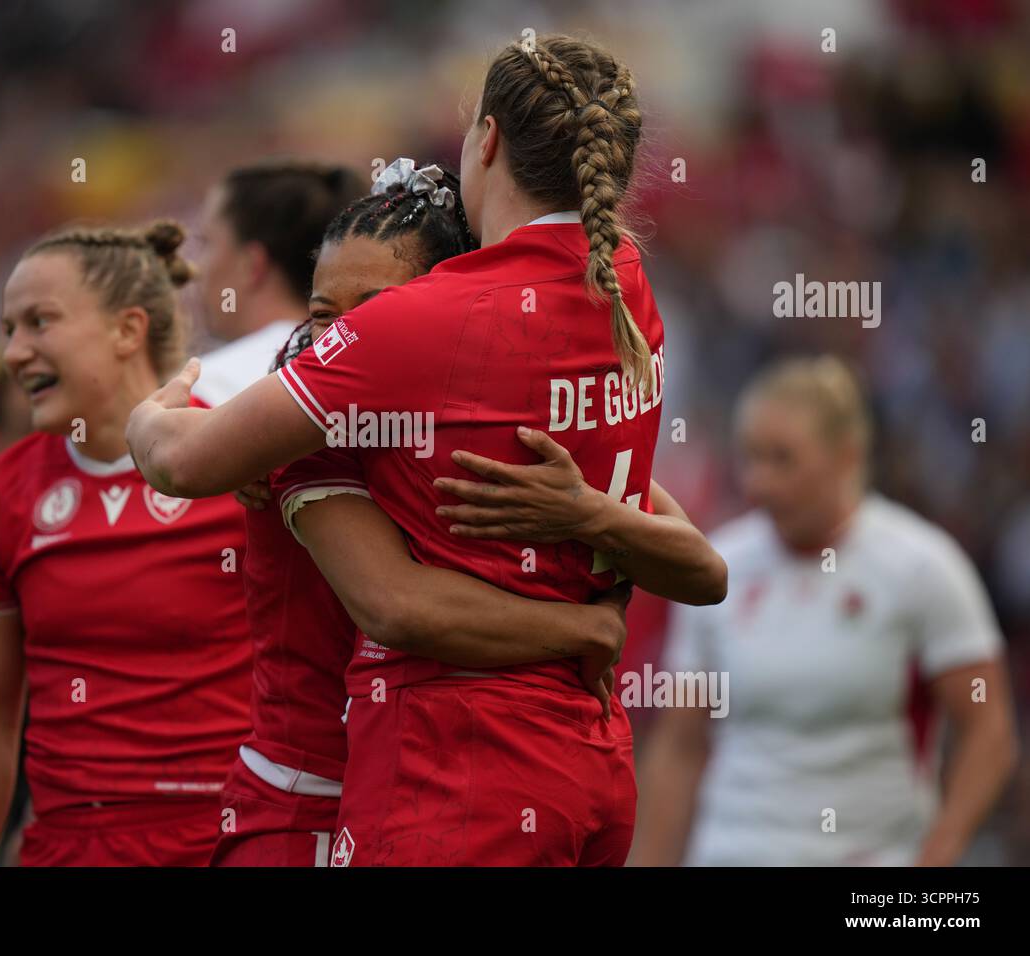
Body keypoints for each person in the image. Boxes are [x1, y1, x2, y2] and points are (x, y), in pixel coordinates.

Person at [128, 35, 680, 865]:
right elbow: (700, 565)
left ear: (485, 139)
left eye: (363, 309)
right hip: (583, 763)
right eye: (324, 310)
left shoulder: (423, 328)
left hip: (453, 771)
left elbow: (185, 466)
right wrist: (587, 604)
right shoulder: (623, 287)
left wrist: (148, 413)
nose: (338, 333)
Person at [0, 220, 253, 866]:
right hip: (69, 848)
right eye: (9, 331)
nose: (13, 353)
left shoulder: (241, 458)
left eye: (39, 322)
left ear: (127, 329)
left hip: (227, 841)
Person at [631, 356, 1019, 866]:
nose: (758, 483)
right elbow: (679, 750)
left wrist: (939, 853)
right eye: (750, 457)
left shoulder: (921, 567)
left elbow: (989, 733)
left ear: (847, 456)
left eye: (782, 459)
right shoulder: (714, 567)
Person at [189, 161, 366, 408]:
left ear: (251, 265)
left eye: (206, 243)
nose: (195, 268)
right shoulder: (363, 368)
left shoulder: (208, 387)